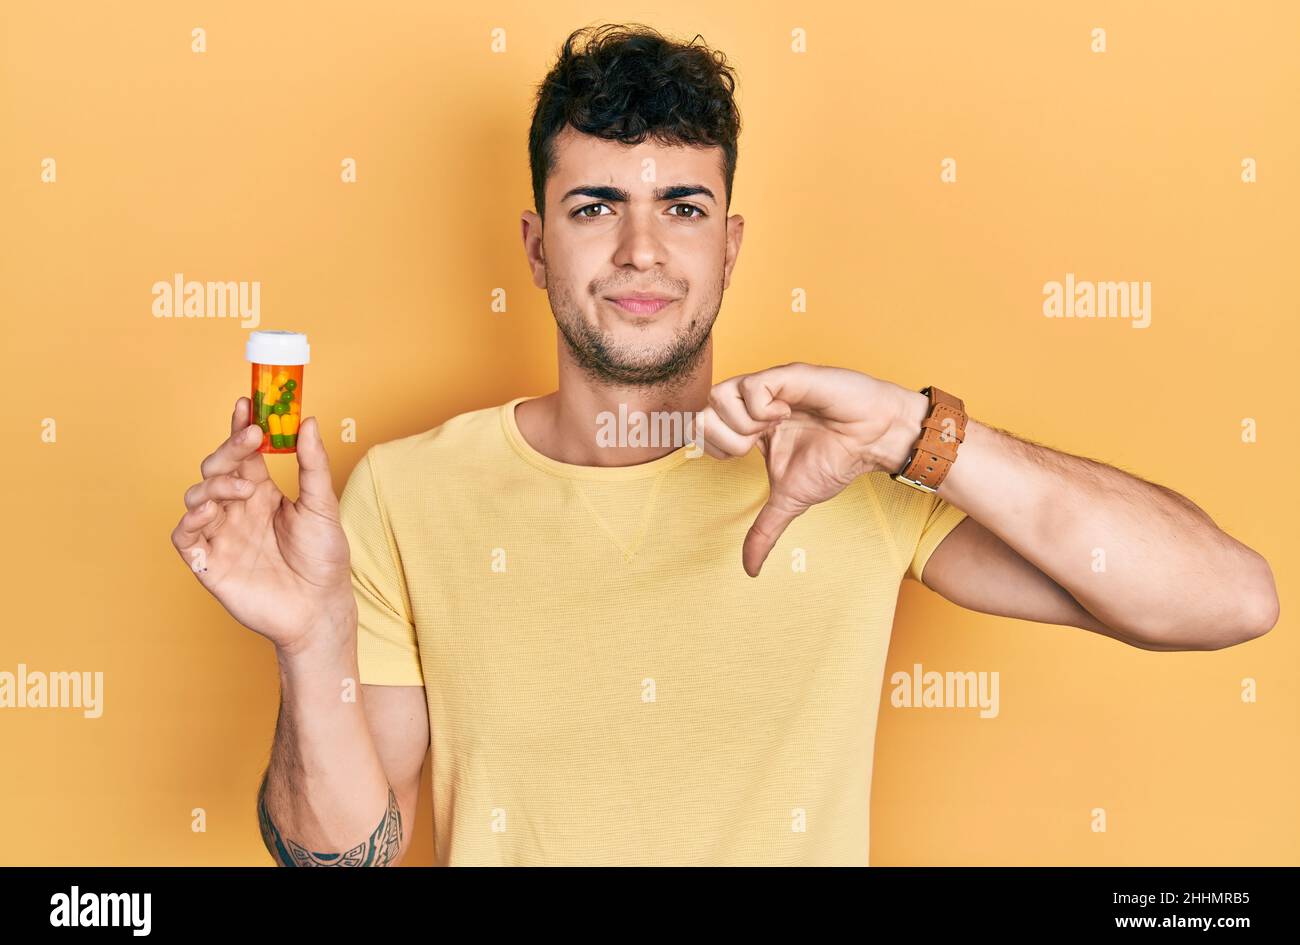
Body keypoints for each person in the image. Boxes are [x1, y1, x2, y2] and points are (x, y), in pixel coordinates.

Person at [170, 23, 1279, 866]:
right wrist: (310, 640)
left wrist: (910, 430)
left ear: (732, 243)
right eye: (596, 205)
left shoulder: (846, 467)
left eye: (684, 207)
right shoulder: (405, 494)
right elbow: (348, 855)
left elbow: (1226, 599)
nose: (641, 251)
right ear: (535, 244)